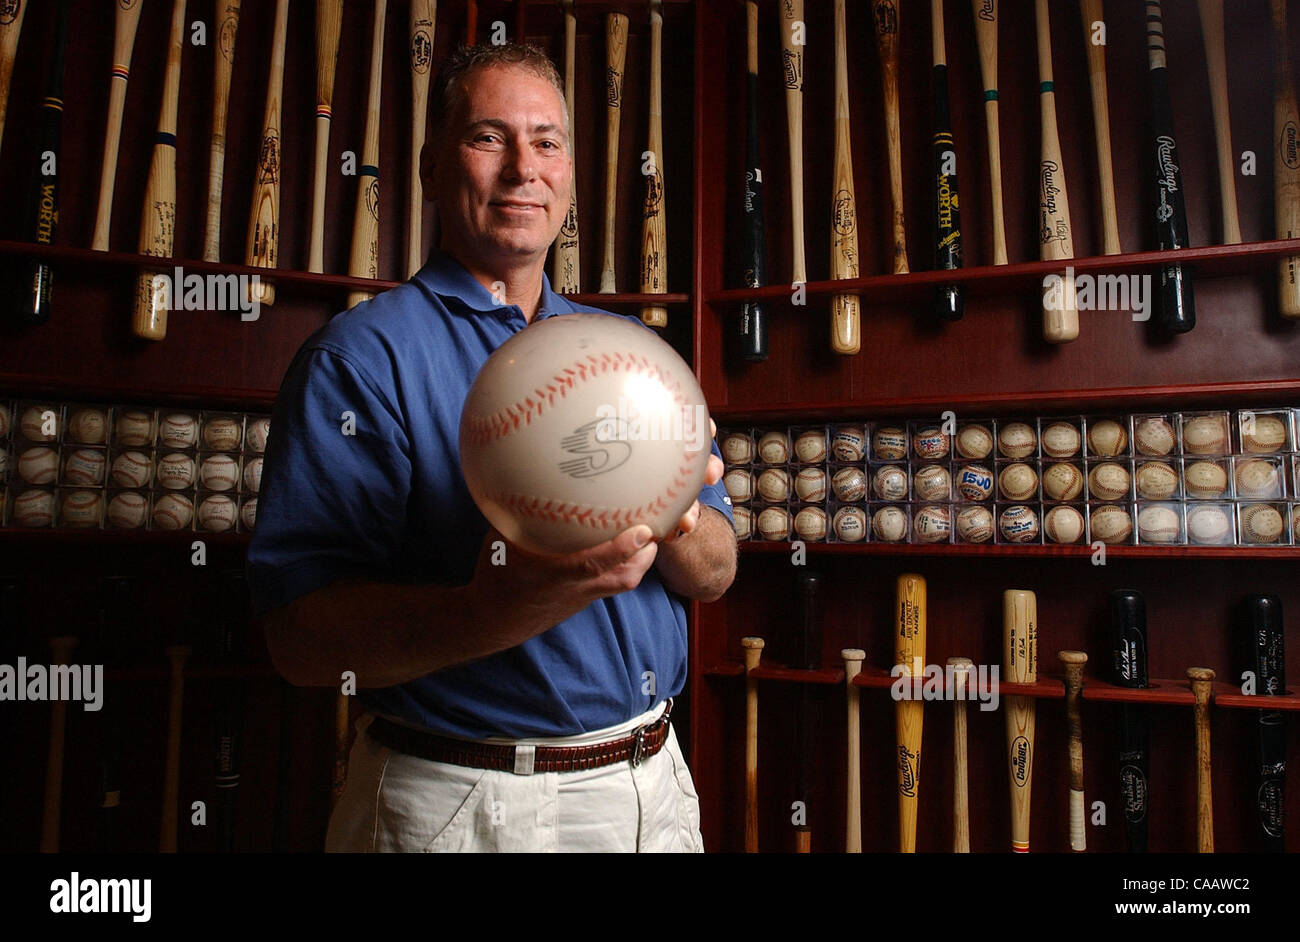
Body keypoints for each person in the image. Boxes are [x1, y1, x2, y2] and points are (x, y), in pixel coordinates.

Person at [246, 42, 737, 853]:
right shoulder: (360, 358)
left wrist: (675, 505)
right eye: (488, 137)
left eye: (547, 142)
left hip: (649, 787)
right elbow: (299, 642)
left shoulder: (636, 358)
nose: (524, 170)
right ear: (433, 165)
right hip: (459, 800)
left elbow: (716, 573)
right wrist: (488, 612)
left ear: (572, 170)